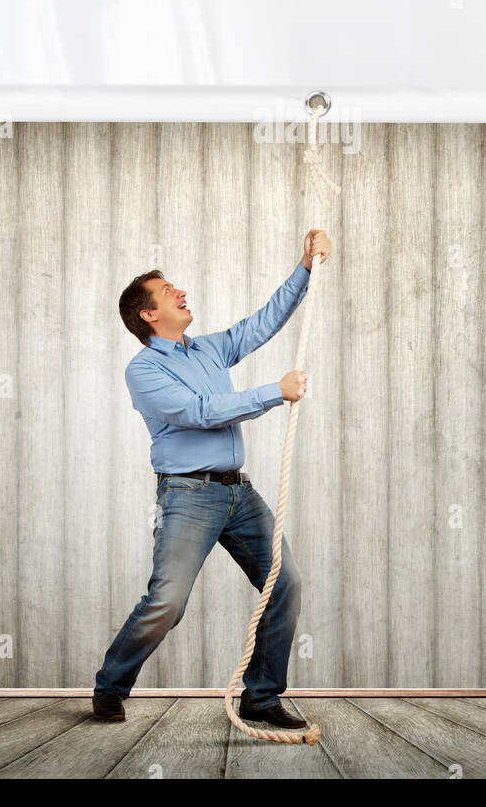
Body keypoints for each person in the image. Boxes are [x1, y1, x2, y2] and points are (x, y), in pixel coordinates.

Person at [91, 229, 331, 730]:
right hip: (187, 496)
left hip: (238, 493)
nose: (181, 292)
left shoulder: (209, 350)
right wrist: (273, 392)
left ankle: (261, 697)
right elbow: (198, 411)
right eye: (168, 291)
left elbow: (264, 322)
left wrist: (305, 265)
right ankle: (111, 686)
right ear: (148, 314)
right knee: (167, 602)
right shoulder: (143, 370)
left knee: (285, 583)